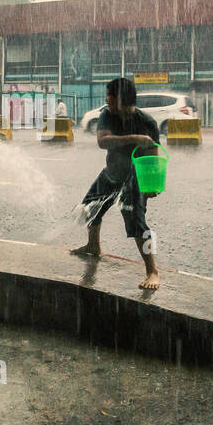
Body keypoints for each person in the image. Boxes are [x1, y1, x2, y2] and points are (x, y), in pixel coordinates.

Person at [71, 77, 162, 290]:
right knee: (90, 208)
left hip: (136, 180)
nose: (106, 99)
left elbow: (154, 157)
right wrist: (133, 139)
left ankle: (152, 270)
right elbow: (103, 141)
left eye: (110, 95)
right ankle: (93, 246)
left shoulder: (148, 122)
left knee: (137, 223)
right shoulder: (107, 115)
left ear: (121, 99)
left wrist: (151, 185)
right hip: (111, 174)